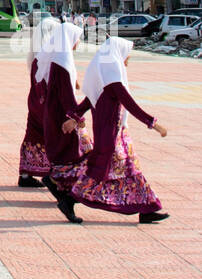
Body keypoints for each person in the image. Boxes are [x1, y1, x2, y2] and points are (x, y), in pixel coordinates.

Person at [64, 36, 169, 224]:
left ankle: (147, 208)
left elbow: (90, 100)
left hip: (118, 132)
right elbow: (129, 103)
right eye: (127, 55)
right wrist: (153, 123)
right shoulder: (113, 81)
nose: (127, 60)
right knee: (99, 172)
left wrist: (74, 117)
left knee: (131, 169)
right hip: (110, 135)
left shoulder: (107, 79)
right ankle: (69, 200)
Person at [40, 19, 92, 223]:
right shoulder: (63, 61)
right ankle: (60, 188)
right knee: (77, 154)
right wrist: (75, 117)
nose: (78, 43)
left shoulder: (60, 58)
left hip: (58, 114)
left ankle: (60, 189)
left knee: (72, 153)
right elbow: (66, 94)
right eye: (76, 39)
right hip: (62, 116)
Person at [17, 15, 58, 191]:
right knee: (54, 137)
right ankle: (55, 173)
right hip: (45, 103)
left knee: (33, 135)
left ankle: (26, 173)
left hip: (34, 101)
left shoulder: (35, 57)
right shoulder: (48, 58)